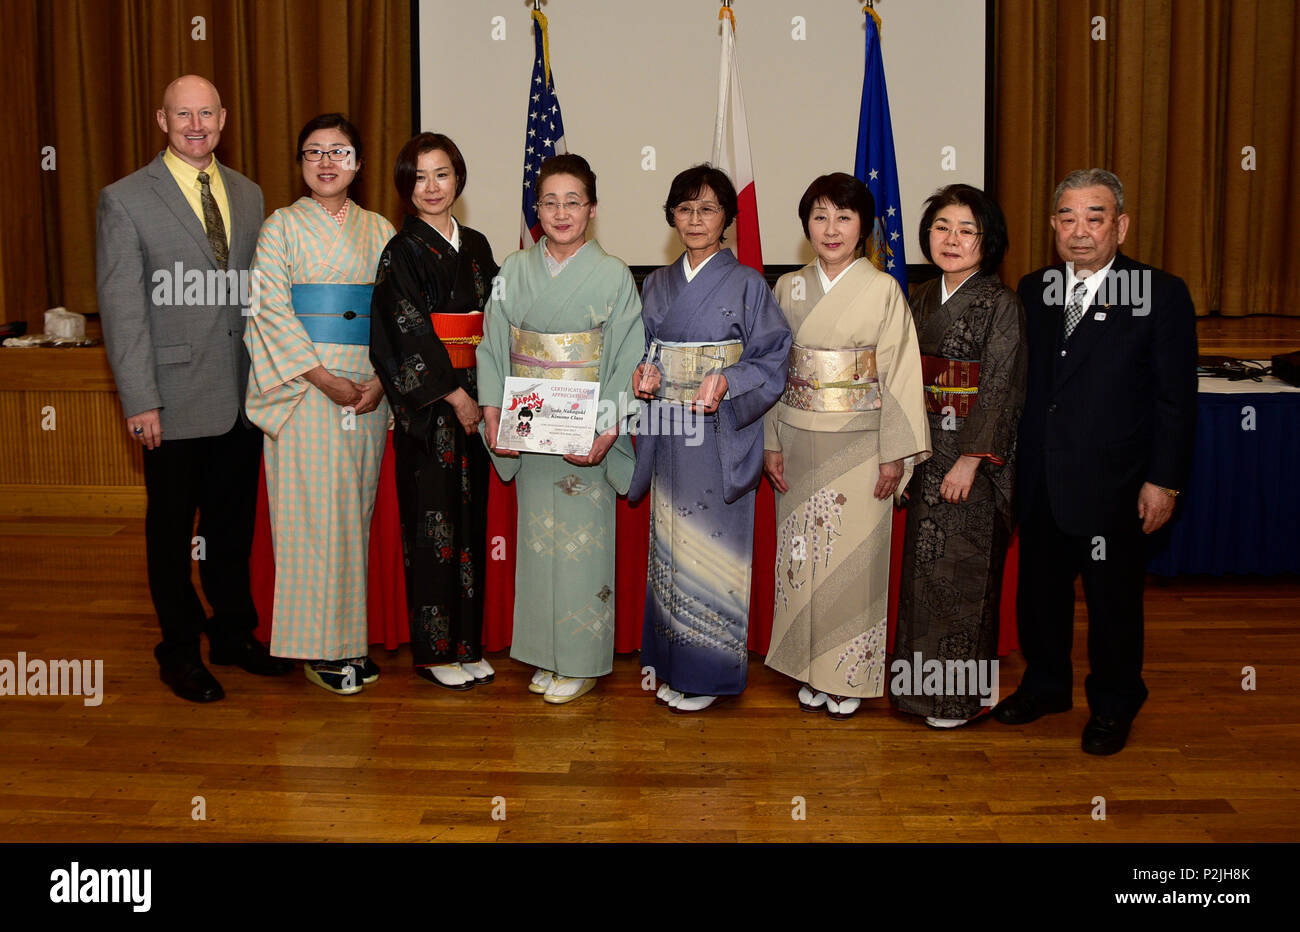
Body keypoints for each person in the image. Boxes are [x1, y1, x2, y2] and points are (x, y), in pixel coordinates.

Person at [96, 75, 289, 703]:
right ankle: (178, 649)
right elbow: (123, 309)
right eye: (184, 114)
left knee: (232, 528)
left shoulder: (250, 194)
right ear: (162, 120)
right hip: (171, 399)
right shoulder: (124, 200)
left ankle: (233, 635)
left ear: (224, 118)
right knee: (172, 531)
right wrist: (140, 399)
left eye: (206, 113)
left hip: (243, 393)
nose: (196, 124)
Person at [993, 168, 1197, 755]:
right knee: (1041, 595)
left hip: (1118, 485)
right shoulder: (1032, 289)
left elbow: (1175, 401)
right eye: (1067, 218)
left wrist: (1165, 482)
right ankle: (1047, 685)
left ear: (1121, 225)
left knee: (1112, 604)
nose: (1079, 232)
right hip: (1041, 481)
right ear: (1053, 225)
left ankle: (1115, 700)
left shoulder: (1161, 294)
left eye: (1095, 217)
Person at [762, 173, 930, 720]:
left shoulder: (882, 290)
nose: (831, 229)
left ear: (864, 227)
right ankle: (806, 668)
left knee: (851, 560)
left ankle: (848, 676)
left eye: (844, 217)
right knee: (802, 557)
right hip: (797, 435)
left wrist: (894, 452)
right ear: (806, 224)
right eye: (819, 216)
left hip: (860, 445)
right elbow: (771, 370)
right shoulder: (787, 287)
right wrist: (770, 439)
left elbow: (901, 375)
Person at [477, 153, 643, 704]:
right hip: (530, 427)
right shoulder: (513, 269)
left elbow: (626, 356)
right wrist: (493, 412)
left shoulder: (614, 274)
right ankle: (544, 654)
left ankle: (579, 659)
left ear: (592, 210)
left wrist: (607, 428)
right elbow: (493, 346)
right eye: (550, 201)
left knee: (582, 549)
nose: (561, 211)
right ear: (537, 210)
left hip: (582, 430)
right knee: (539, 546)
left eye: (573, 201)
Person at [630, 164, 792, 714]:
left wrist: (732, 379)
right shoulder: (655, 283)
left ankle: (707, 674)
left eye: (708, 209)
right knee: (670, 550)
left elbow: (772, 355)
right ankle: (673, 665)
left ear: (728, 218)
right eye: (684, 208)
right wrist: (644, 376)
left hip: (720, 430)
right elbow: (647, 348)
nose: (695, 220)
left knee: (712, 552)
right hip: (670, 430)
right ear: (671, 216)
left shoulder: (747, 284)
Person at [243, 113, 393, 695]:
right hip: (306, 388)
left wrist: (381, 379)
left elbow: (394, 314)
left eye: (339, 151)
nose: (326, 162)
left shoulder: (379, 229)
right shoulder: (280, 228)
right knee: (310, 518)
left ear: (357, 162)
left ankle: (347, 641)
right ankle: (318, 648)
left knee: (351, 516)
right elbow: (270, 309)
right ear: (301, 163)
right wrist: (322, 376)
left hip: (368, 389)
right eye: (313, 152)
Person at [892, 184, 1025, 727]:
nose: (952, 239)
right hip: (923, 452)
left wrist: (970, 461)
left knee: (962, 580)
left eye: (967, 230)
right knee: (922, 577)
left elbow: (1000, 387)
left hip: (969, 465)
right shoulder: (920, 297)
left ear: (987, 241)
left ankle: (957, 698)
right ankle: (916, 693)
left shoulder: (1003, 305)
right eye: (942, 227)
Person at [370, 132, 499, 690]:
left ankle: (467, 643)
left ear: (458, 179)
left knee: (471, 523)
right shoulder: (400, 253)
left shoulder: (475, 244)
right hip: (431, 409)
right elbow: (404, 334)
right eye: (418, 177)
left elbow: (495, 319)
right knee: (434, 524)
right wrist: (454, 395)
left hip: (478, 392)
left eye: (441, 174)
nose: (431, 187)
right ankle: (436, 650)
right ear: (405, 187)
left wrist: (488, 393)